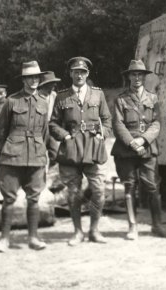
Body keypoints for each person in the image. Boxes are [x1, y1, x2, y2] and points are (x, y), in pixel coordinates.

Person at [49, 57, 112, 246]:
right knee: (73, 192)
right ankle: (77, 232)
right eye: (75, 71)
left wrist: (103, 134)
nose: (79, 75)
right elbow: (53, 123)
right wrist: (65, 136)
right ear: (70, 74)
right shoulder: (62, 96)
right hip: (71, 150)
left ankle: (94, 229)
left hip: (93, 148)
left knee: (99, 190)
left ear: (87, 74)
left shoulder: (97, 95)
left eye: (82, 72)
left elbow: (107, 120)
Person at [0, 62, 50, 252]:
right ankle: (4, 239)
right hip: (11, 158)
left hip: (36, 156)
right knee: (8, 198)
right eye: (30, 77)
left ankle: (33, 238)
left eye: (36, 77)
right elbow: (0, 132)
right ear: (23, 79)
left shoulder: (43, 101)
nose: (34, 81)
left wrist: (44, 154)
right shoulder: (11, 101)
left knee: (34, 198)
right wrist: (1, 158)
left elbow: (44, 132)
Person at [111, 60, 166, 240]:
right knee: (129, 186)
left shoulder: (152, 98)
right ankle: (132, 226)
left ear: (144, 77)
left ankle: (157, 225)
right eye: (133, 74)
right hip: (126, 149)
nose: (137, 78)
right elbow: (117, 124)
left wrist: (143, 140)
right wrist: (132, 142)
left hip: (147, 147)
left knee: (152, 186)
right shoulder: (121, 99)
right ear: (129, 76)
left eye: (140, 75)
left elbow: (157, 122)